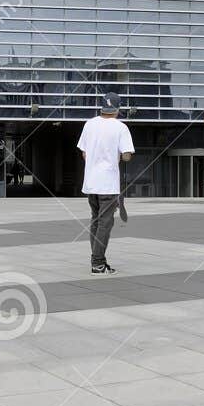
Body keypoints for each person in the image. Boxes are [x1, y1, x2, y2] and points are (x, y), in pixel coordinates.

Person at [78, 94, 134, 274]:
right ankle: (98, 263)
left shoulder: (89, 124)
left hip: (90, 183)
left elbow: (84, 154)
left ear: (102, 107)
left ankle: (96, 260)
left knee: (95, 220)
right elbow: (126, 155)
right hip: (108, 184)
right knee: (105, 223)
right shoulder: (121, 128)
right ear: (118, 109)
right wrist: (119, 155)